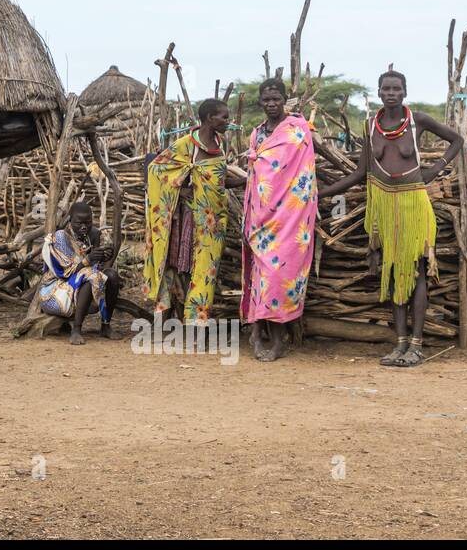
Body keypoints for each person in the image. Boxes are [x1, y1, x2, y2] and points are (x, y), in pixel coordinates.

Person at [319, 70, 464, 367]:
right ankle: (399, 344)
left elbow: (457, 140)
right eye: (386, 88)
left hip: (414, 201)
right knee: (392, 270)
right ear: (378, 91)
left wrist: (436, 169)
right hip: (383, 203)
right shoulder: (370, 125)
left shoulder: (417, 120)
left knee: (417, 270)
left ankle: (417, 345)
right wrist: (320, 193)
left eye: (396, 88)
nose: (391, 93)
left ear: (405, 91)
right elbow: (360, 173)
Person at [142, 98, 242, 322]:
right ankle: (167, 320)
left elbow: (218, 182)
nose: (228, 121)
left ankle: (196, 322)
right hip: (186, 219)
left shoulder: (218, 146)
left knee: (206, 272)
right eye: (224, 117)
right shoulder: (186, 145)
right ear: (209, 118)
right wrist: (181, 190)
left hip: (212, 223)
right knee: (177, 268)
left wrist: (247, 180)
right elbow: (156, 170)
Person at [241, 79, 318, 362]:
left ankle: (277, 338)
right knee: (259, 276)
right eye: (266, 99)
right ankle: (257, 331)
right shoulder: (257, 134)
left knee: (279, 276)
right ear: (260, 101)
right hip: (260, 217)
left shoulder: (298, 130)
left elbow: (304, 172)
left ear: (285, 99)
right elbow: (256, 173)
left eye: (276, 98)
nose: (271, 103)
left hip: (290, 218)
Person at [36, 201, 121, 344]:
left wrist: (103, 257)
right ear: (70, 220)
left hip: (81, 283)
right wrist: (89, 259)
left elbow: (95, 267)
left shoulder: (93, 234)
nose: (84, 226)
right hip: (56, 289)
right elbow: (66, 272)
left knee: (112, 276)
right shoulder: (61, 237)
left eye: (88, 222)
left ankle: (106, 325)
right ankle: (76, 329)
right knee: (90, 277)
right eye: (79, 223)